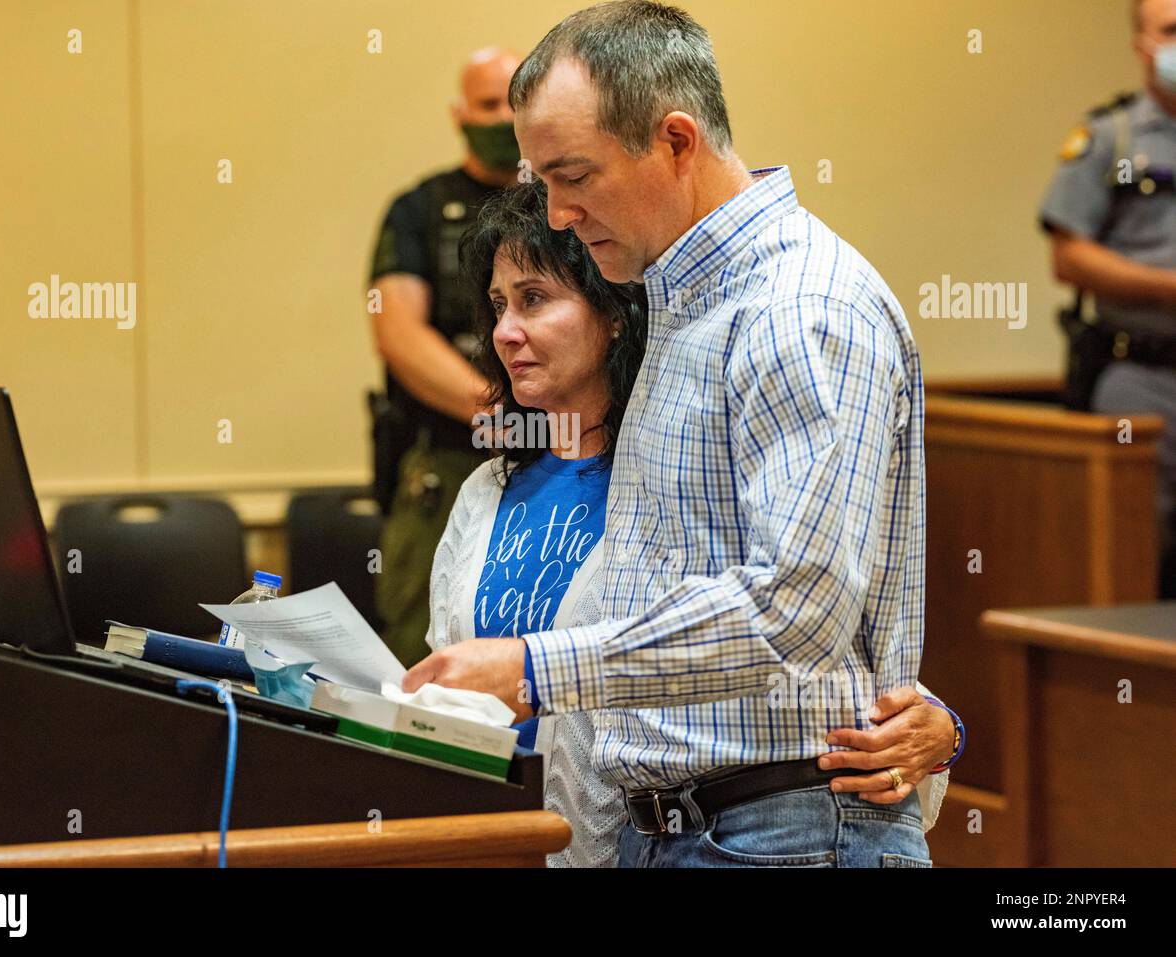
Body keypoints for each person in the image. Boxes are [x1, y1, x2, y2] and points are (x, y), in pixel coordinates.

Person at [404, 1, 961, 868]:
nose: (556, 214)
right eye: (541, 180)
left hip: (782, 830)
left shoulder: (796, 305)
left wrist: (537, 669)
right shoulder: (681, 299)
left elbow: (796, 606)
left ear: (674, 140)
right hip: (681, 827)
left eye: (574, 175)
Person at [367, 47, 523, 666]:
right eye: (489, 104)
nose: (503, 119)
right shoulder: (418, 209)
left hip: (561, 463)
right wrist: (503, 413)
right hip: (451, 461)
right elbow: (398, 336)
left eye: (515, 102)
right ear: (460, 114)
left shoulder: (563, 205)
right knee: (423, 655)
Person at [1041, 0, 1176, 598]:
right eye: (1171, 30)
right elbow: (1068, 255)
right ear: (1142, 44)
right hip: (1139, 374)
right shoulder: (1110, 135)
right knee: (1138, 552)